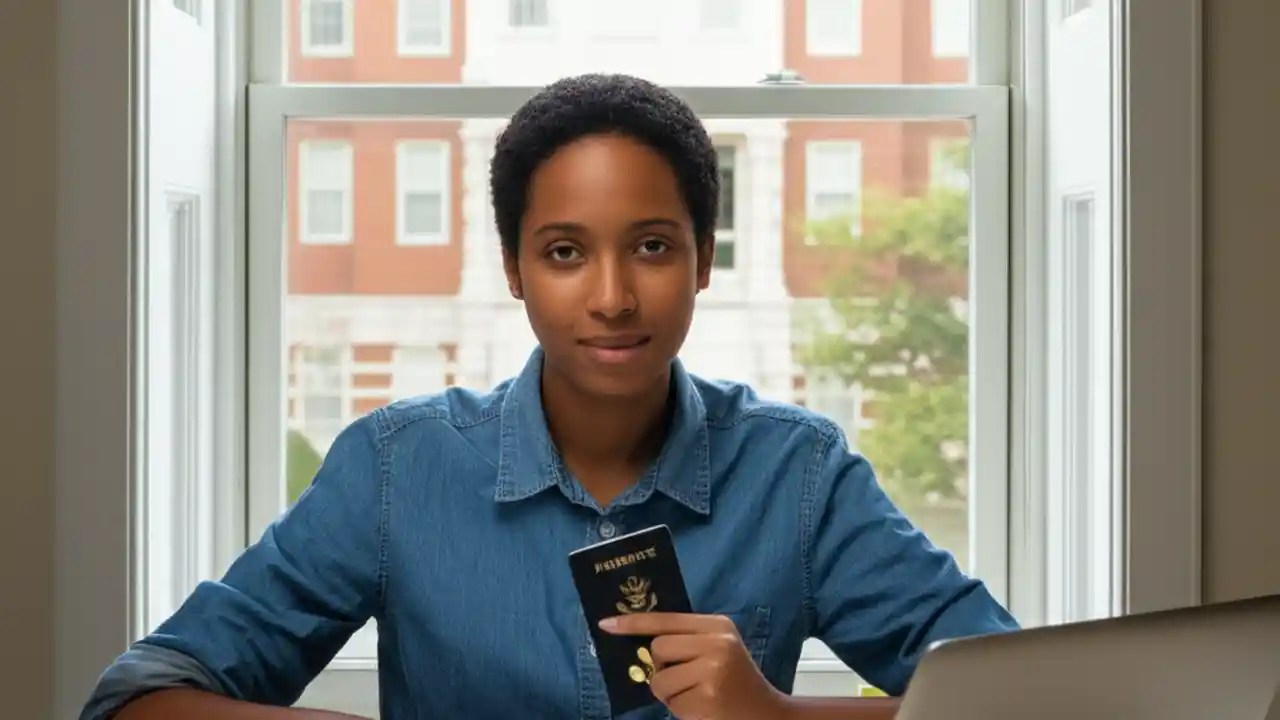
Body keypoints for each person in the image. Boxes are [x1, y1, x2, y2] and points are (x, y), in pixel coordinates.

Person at [83, 73, 1017, 720]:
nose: (611, 297)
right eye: (565, 252)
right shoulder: (397, 468)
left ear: (703, 259)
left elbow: (1024, 700)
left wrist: (774, 717)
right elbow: (137, 697)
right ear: (515, 269)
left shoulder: (800, 475)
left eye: (651, 246)